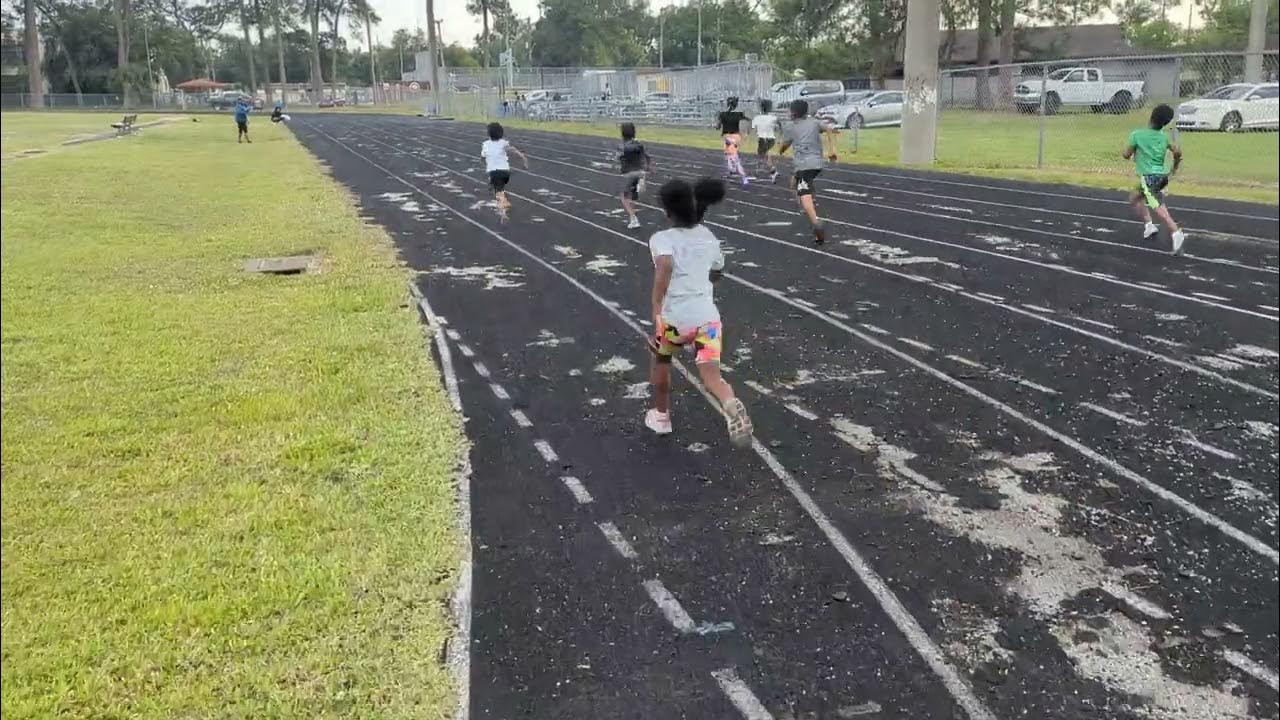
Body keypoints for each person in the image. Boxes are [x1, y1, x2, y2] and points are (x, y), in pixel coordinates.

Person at [646, 178, 753, 448]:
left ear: (667, 211)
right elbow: (717, 271)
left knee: (661, 361)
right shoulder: (708, 236)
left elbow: (666, 264)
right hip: (707, 319)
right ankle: (729, 402)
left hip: (674, 322)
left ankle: (661, 416)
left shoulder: (661, 239)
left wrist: (657, 312)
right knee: (712, 376)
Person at [1124, 103, 1186, 255]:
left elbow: (1126, 154)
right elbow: (1177, 152)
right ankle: (1149, 225)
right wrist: (1175, 166)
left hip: (1149, 178)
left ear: (1151, 117)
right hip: (1160, 176)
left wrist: (1135, 151)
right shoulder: (1163, 138)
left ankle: (1176, 231)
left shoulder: (1137, 135)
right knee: (1134, 198)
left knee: (1158, 207)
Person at [777, 99, 839, 244]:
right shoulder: (815, 122)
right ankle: (809, 200)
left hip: (804, 165)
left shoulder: (790, 127)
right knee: (795, 182)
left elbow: (784, 145)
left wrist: (780, 150)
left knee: (803, 190)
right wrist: (832, 151)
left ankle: (815, 222)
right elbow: (829, 129)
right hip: (816, 164)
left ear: (793, 112)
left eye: (789, 110)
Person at [481, 122, 529, 219]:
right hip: (505, 172)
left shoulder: (485, 144)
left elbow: (483, 158)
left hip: (494, 172)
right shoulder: (503, 143)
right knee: (499, 189)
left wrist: (486, 167)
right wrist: (523, 157)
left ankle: (502, 212)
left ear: (488, 134)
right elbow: (513, 150)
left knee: (498, 191)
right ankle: (505, 202)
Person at [618, 122, 653, 229]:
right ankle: (633, 218)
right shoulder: (639, 144)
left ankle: (633, 218)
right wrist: (647, 169)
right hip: (640, 171)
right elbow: (647, 157)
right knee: (633, 196)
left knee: (624, 197)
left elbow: (619, 157)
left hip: (628, 173)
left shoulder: (622, 145)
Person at [716, 97, 749, 187]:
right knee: (729, 155)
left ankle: (744, 177)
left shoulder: (723, 114)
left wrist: (719, 118)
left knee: (734, 158)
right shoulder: (738, 114)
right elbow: (746, 121)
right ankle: (732, 169)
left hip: (729, 138)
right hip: (737, 137)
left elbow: (717, 126)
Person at [750, 99, 780, 183]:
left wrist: (752, 139)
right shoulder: (773, 117)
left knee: (764, 156)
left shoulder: (757, 118)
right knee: (764, 155)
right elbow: (778, 127)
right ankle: (761, 169)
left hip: (762, 139)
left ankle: (772, 171)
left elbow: (754, 129)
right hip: (771, 139)